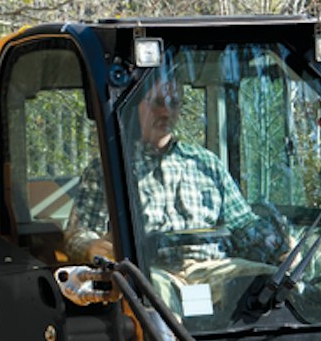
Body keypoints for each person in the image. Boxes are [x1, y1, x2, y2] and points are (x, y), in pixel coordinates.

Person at [63, 68, 285, 314]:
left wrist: (281, 243)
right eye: (158, 103)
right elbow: (78, 235)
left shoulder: (206, 163)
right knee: (153, 295)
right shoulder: (110, 168)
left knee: (270, 283)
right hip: (156, 273)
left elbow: (244, 225)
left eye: (173, 103)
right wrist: (99, 248)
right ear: (137, 106)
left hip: (212, 267)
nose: (166, 112)